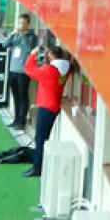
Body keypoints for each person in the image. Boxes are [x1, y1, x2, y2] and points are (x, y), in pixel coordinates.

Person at [23, 43, 71, 179]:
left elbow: (28, 70)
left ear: (50, 55)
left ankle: (37, 168)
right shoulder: (66, 69)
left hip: (46, 107)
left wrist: (32, 54)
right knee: (43, 138)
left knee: (40, 139)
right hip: (53, 106)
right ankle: (40, 164)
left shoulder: (49, 70)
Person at [6, 14, 39, 131]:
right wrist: (12, 34)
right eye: (19, 23)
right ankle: (16, 119)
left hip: (23, 71)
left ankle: (22, 121)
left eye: (23, 23)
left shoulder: (32, 37)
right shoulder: (15, 35)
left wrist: (23, 35)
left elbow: (29, 48)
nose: (20, 25)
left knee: (23, 96)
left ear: (28, 24)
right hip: (13, 69)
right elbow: (4, 44)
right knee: (15, 96)